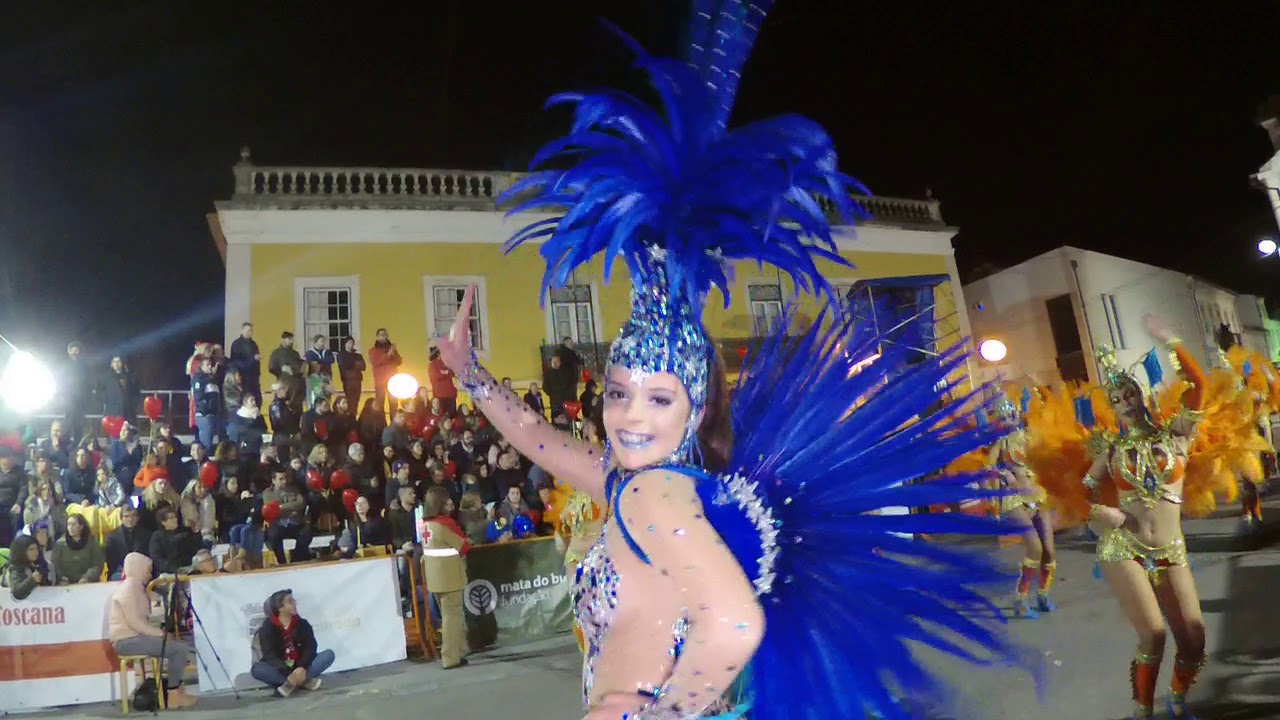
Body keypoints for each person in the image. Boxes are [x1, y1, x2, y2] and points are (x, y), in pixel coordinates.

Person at [435, 4, 1029, 717]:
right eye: (620, 391)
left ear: (697, 408)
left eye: (659, 399)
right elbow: (545, 443)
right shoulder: (643, 485)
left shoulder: (656, 497)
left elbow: (737, 624)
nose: (627, 416)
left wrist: (664, 712)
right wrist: (471, 374)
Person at [1080, 320, 1208, 720]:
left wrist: (1171, 339)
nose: (1127, 403)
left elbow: (1200, 385)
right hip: (1124, 547)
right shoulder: (1112, 449)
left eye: (1131, 393)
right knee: (1153, 634)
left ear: (1142, 394)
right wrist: (1102, 512)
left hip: (1171, 548)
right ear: (1113, 407)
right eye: (1118, 400)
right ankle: (1143, 710)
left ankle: (1176, 696)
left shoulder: (1176, 435)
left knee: (1194, 640)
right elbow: (1081, 492)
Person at [988, 390, 1057, 617]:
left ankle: (1043, 595)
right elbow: (987, 469)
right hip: (1014, 498)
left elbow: (1049, 456)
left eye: (1011, 415)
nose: (1008, 421)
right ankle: (1020, 599)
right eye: (1003, 418)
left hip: (1038, 495)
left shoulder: (1030, 437)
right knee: (1034, 547)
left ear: (1018, 415)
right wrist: (1002, 474)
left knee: (1048, 550)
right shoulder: (1001, 443)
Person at [108, 553, 197, 708]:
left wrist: (161, 634)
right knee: (179, 648)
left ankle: (174, 691)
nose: (150, 574)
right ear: (137, 568)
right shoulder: (129, 589)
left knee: (175, 644)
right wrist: (161, 634)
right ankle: (174, 694)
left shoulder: (135, 587)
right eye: (147, 570)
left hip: (134, 638)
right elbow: (135, 623)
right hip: (127, 641)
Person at [420, 486, 470, 669]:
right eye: (447, 499)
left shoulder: (425, 525)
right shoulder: (446, 524)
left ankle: (460, 650)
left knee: (450, 616)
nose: (451, 502)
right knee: (452, 617)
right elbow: (463, 547)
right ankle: (450, 657)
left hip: (434, 578)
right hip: (450, 577)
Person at [252, 589, 335, 698]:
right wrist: (288, 672)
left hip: (302, 666)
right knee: (257, 669)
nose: (295, 603)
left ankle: (289, 685)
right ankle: (303, 681)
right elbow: (269, 654)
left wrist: (301, 667)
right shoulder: (268, 627)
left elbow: (310, 648)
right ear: (280, 608)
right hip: (281, 669)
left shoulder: (303, 624)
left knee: (328, 655)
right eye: (290, 601)